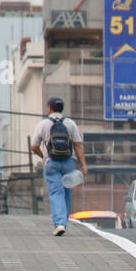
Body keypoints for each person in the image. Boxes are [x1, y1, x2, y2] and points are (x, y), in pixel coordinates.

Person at [30, 97, 89, 236]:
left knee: (56, 192)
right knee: (67, 193)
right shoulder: (70, 124)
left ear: (49, 108)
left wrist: (43, 157)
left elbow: (34, 146)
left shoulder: (43, 124)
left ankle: (60, 223)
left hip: (51, 163)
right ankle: (64, 222)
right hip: (69, 162)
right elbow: (78, 145)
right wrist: (84, 165)